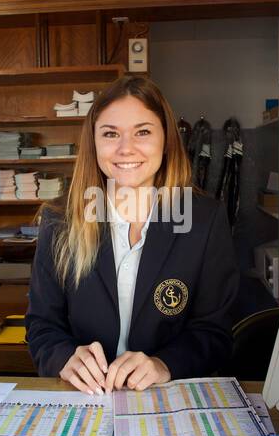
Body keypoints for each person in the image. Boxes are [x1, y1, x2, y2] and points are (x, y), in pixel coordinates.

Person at [26, 74, 239, 394]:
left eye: (142, 132)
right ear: (94, 143)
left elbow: (215, 331)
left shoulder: (204, 220)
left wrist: (164, 364)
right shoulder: (60, 221)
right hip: (88, 398)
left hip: (167, 400)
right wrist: (64, 357)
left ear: (165, 140)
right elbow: (42, 325)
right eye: (111, 134)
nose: (126, 149)